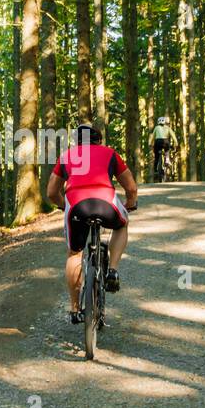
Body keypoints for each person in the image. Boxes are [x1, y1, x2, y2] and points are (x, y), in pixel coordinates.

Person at [46, 123, 138, 324]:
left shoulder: (67, 156)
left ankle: (75, 309)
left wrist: (64, 206)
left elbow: (52, 192)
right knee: (122, 225)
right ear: (99, 139)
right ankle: (112, 269)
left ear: (77, 140)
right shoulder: (110, 153)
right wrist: (130, 204)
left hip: (77, 206)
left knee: (75, 253)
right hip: (106, 204)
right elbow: (131, 187)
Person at [152, 116, 175, 182]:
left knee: (156, 156)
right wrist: (176, 143)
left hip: (157, 142)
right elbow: (173, 136)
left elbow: (153, 137)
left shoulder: (156, 128)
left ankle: (155, 169)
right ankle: (167, 160)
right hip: (165, 142)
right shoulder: (167, 128)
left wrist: (150, 144)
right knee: (167, 150)